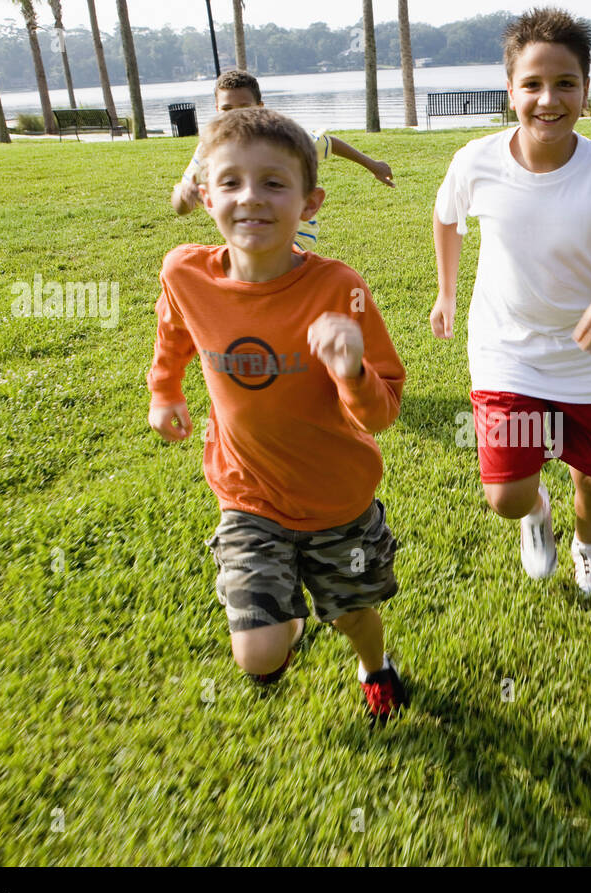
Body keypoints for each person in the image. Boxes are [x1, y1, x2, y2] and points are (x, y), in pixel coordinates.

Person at [147, 108, 408, 726]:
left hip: (337, 499)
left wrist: (350, 372)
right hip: (247, 494)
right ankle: (280, 617)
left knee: (350, 615)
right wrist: (164, 391)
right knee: (259, 655)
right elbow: (173, 329)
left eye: (273, 183)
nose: (251, 199)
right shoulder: (185, 271)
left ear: (309, 203)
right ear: (206, 194)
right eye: (231, 182)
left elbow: (383, 410)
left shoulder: (338, 287)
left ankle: (376, 667)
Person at [429, 7, 591, 595]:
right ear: (511, 91)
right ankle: (535, 514)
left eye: (565, 84)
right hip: (507, 347)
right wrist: (448, 292)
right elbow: (446, 216)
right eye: (532, 84)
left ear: (585, 89)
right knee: (505, 496)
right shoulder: (476, 160)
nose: (548, 99)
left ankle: (588, 545)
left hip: (587, 357)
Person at [169, 69, 395, 252]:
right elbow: (181, 203)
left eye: (245, 107)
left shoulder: (281, 137)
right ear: (218, 110)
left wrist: (373, 165)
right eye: (228, 109)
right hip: (249, 237)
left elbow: (328, 143)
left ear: (260, 107)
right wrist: (184, 194)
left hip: (294, 239)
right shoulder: (209, 149)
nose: (236, 116)